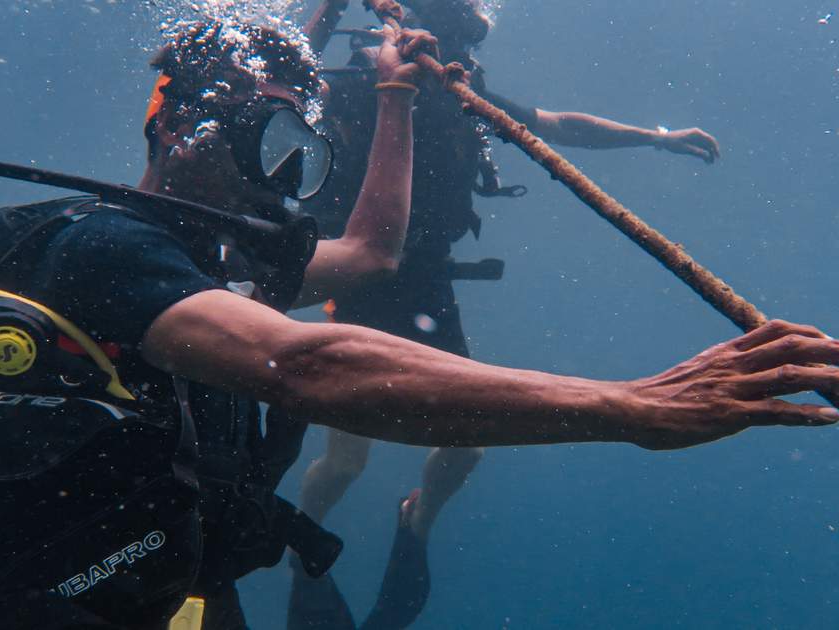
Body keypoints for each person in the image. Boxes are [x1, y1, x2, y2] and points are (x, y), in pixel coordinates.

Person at [0, 16, 839, 630]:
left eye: (298, 154)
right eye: (267, 138)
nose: (282, 180)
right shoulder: (104, 249)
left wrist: (394, 98)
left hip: (167, 590)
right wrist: (627, 405)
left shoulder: (200, 269)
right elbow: (302, 364)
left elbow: (370, 260)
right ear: (178, 125)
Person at [293, 1, 722, 625]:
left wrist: (657, 138)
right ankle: (303, 540)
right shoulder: (358, 85)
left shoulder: (460, 91)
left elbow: (558, 124)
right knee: (348, 458)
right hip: (357, 282)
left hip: (426, 284)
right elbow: (288, 73)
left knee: (468, 448)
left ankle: (416, 521)